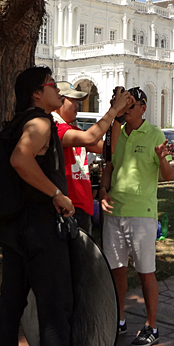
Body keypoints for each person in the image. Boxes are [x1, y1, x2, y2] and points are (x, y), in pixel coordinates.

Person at [0, 67, 77, 346]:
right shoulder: (39, 122)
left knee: (9, 308)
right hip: (40, 231)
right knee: (55, 312)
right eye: (53, 85)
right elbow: (20, 160)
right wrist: (56, 194)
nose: (59, 91)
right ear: (36, 93)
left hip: (14, 229)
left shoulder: (16, 123)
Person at [100, 87, 173, 346]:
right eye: (124, 104)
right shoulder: (115, 132)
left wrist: (163, 159)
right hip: (114, 212)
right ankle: (119, 318)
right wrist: (103, 189)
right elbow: (110, 165)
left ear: (143, 108)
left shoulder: (154, 134)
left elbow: (168, 176)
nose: (126, 109)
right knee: (116, 269)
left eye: (131, 105)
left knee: (145, 272)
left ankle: (151, 326)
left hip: (141, 214)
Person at [52, 81, 132, 234]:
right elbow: (90, 138)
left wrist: (118, 117)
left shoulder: (72, 129)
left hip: (82, 206)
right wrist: (114, 109)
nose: (77, 106)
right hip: (67, 207)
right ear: (58, 101)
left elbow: (108, 149)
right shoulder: (54, 127)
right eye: (73, 100)